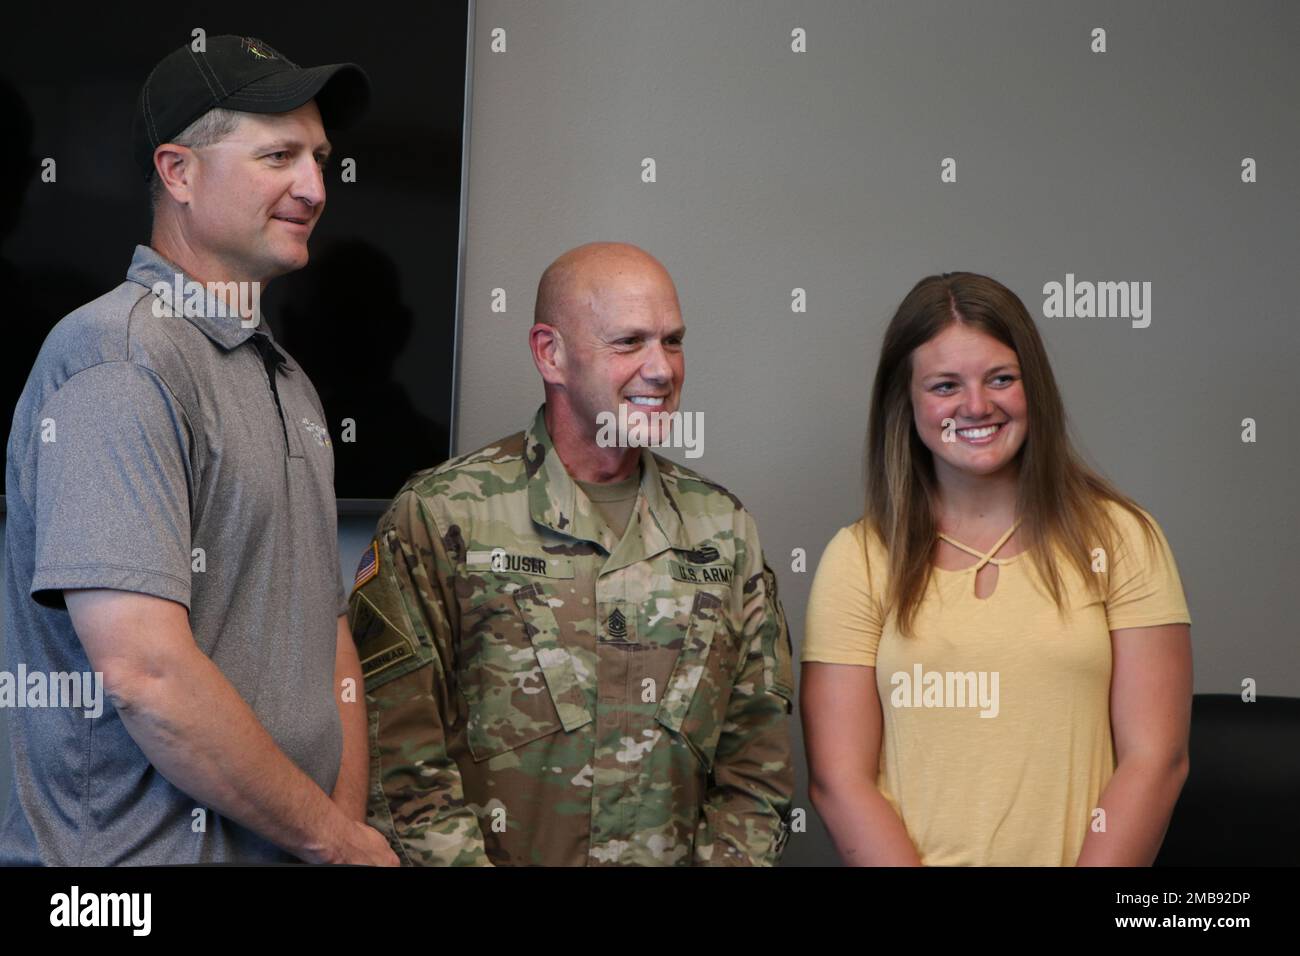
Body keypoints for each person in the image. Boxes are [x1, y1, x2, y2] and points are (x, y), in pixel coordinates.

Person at [1, 35, 397, 865]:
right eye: (279, 156)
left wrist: (342, 830)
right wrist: (338, 845)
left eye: (320, 159)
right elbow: (146, 674)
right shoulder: (116, 358)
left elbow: (326, 634)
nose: (315, 187)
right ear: (178, 173)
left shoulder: (289, 380)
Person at [349, 241, 794, 865]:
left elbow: (757, 768)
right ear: (550, 353)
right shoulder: (443, 515)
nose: (661, 369)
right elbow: (401, 767)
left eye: (672, 340)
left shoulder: (723, 529)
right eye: (629, 342)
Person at [801, 272, 1193, 866]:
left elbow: (1156, 758)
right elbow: (839, 780)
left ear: (1033, 385)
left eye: (1001, 379)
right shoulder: (857, 559)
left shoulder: (1122, 538)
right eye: (945, 385)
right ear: (905, 403)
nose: (977, 406)